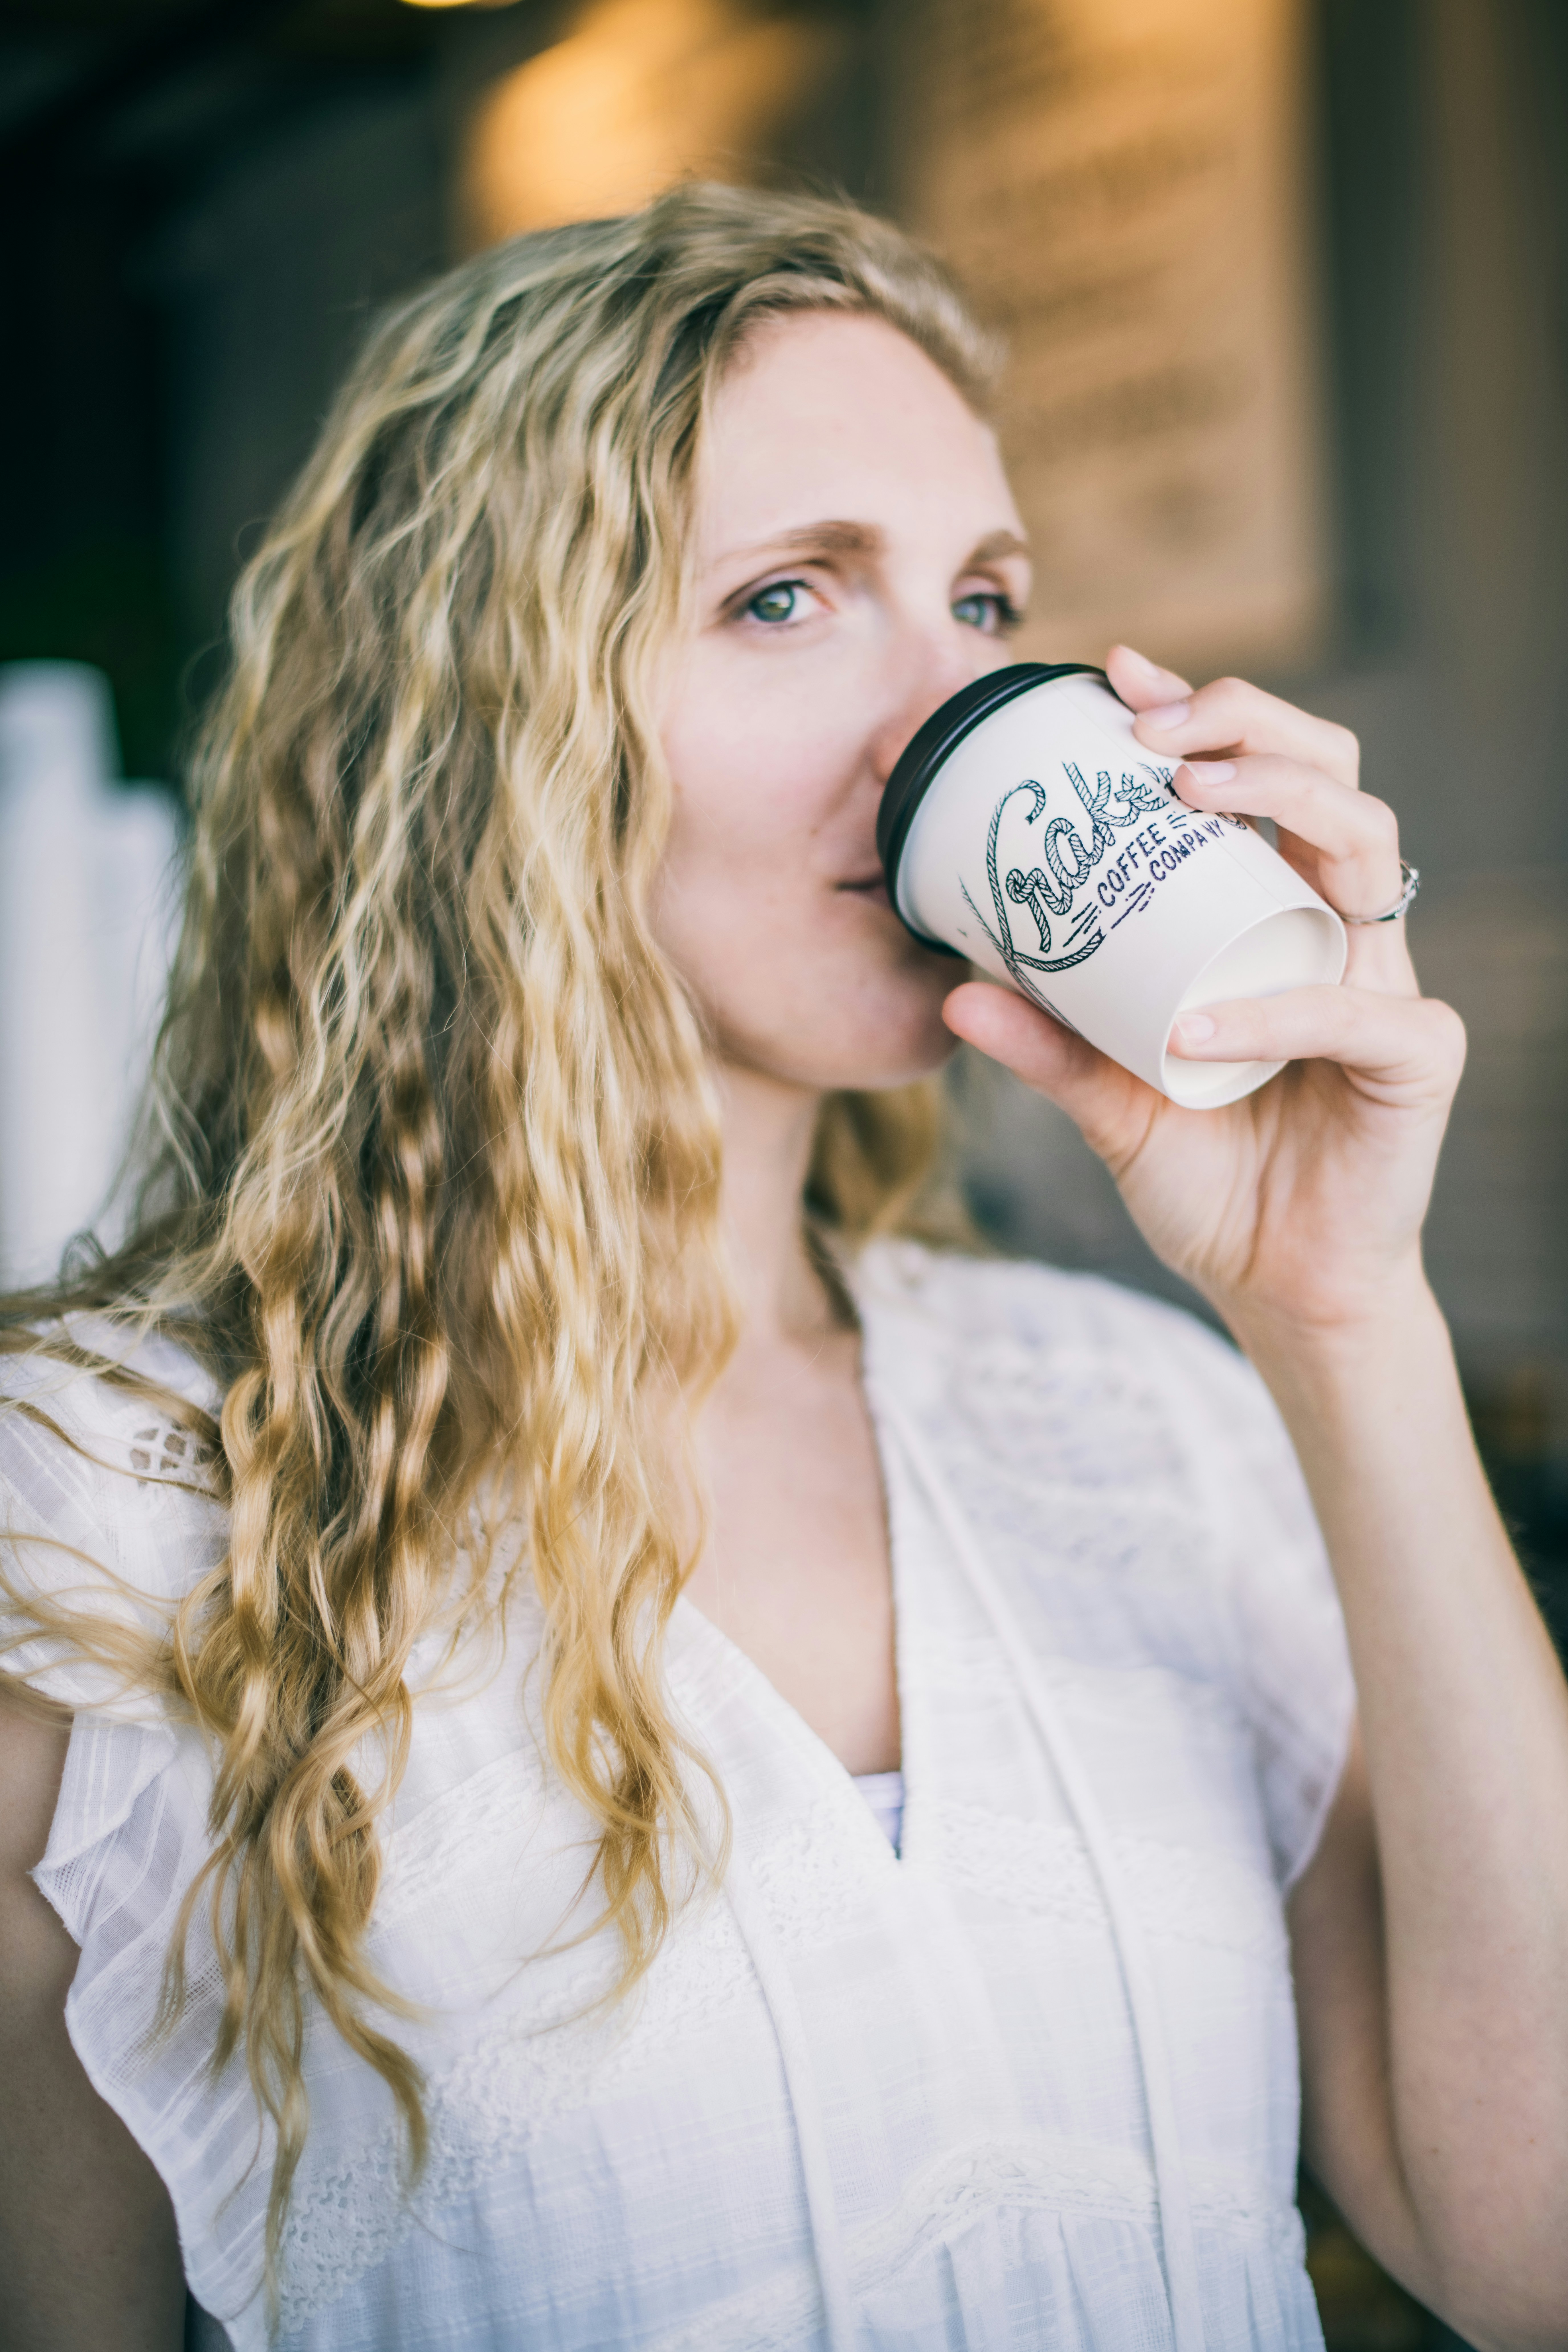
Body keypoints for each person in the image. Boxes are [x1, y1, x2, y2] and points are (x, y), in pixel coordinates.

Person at [1, 183, 1565, 2352]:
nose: (954, 707)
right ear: (480, 726)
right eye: (784, 598)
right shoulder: (105, 1518)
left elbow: (1535, 2251)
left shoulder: (1144, 1419)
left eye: (987, 596)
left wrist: (1344, 1316)